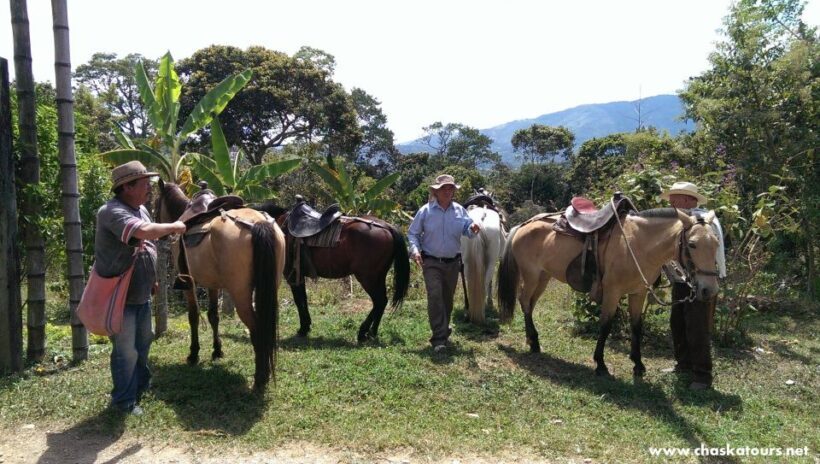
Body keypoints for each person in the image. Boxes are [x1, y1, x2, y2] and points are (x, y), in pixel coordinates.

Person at [94, 161, 186, 415]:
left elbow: (148, 247)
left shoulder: (141, 209)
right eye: (144, 183)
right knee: (126, 351)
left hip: (141, 292)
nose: (149, 188)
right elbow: (143, 233)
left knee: (144, 342)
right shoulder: (111, 211)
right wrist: (175, 226)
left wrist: (151, 279)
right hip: (119, 296)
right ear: (127, 187)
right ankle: (124, 401)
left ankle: (140, 386)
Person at [660, 181, 726, 390]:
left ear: (689, 199)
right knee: (678, 323)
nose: (671, 201)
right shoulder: (683, 221)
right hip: (682, 281)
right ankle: (683, 364)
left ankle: (702, 376)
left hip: (701, 282)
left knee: (697, 329)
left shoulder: (703, 221)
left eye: (675, 197)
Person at [408, 174, 481, 352]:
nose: (448, 191)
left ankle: (444, 329)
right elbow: (413, 234)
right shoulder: (425, 211)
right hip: (431, 261)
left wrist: (473, 229)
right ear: (436, 191)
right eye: (444, 189)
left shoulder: (459, 211)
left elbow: (467, 230)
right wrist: (415, 250)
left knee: (447, 300)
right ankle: (439, 339)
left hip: (453, 263)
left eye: (451, 189)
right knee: (435, 297)